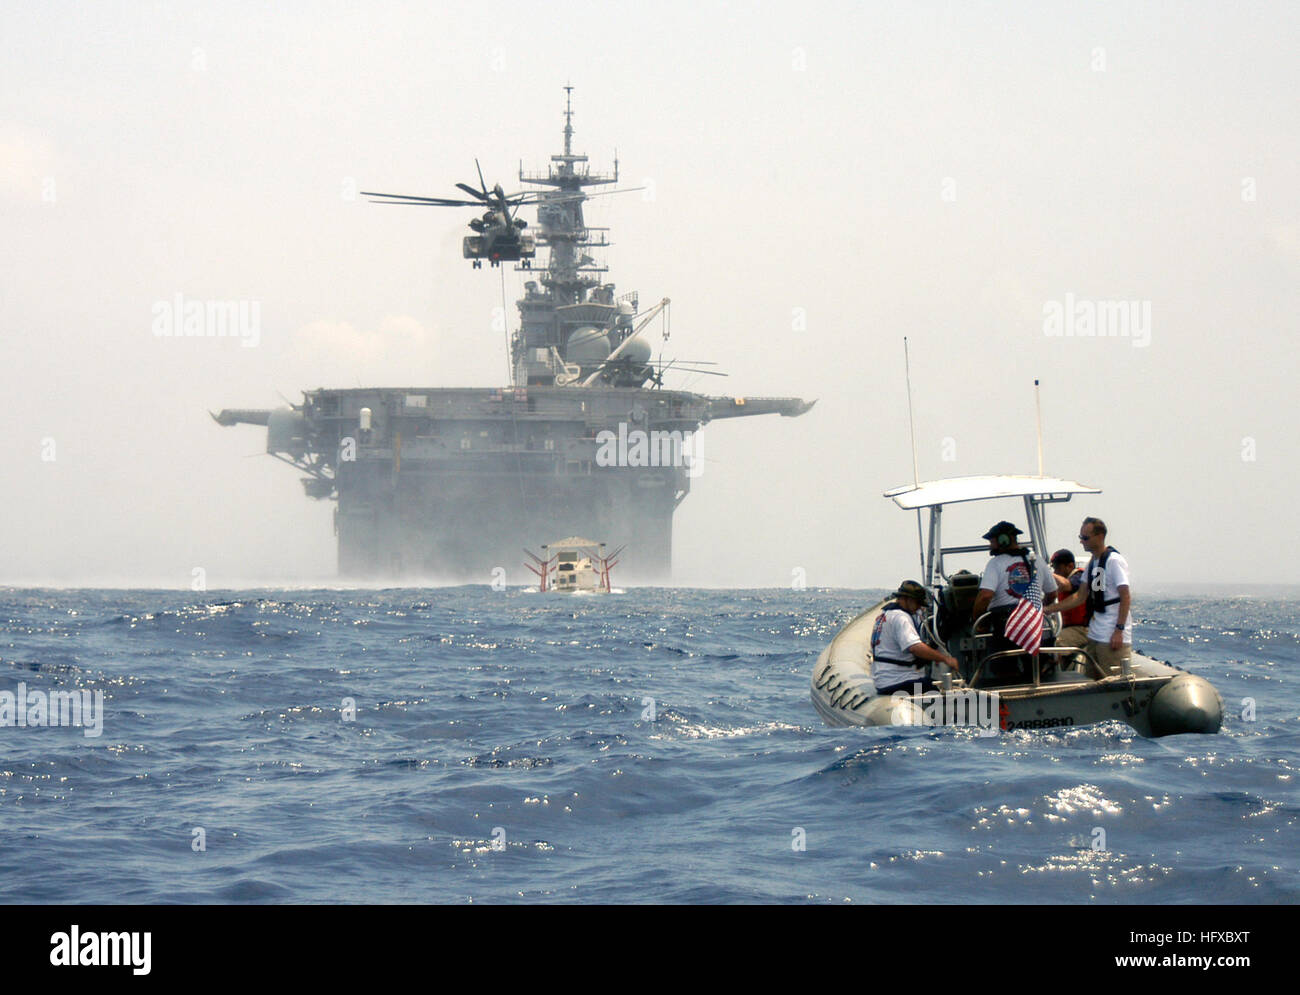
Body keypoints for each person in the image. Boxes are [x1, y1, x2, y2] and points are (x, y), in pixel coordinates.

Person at [1044, 517, 1131, 675]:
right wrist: (1050, 609)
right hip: (1095, 633)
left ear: (1099, 536)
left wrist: (1119, 630)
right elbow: (1080, 596)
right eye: (1080, 538)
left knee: (1112, 680)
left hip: (1111, 634)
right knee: (1092, 678)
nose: (1081, 542)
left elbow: (1125, 596)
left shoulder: (1114, 561)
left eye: (1085, 538)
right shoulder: (1093, 563)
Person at [970, 521, 1057, 653]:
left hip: (1005, 625)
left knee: (1002, 665)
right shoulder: (1038, 560)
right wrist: (1040, 609)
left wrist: (978, 622)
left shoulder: (995, 563)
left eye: (992, 541)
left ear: (1003, 540)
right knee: (1037, 666)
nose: (990, 546)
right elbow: (1052, 594)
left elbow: (985, 596)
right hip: (1034, 624)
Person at [871, 581, 959, 697]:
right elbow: (915, 648)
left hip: (883, 681)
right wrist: (945, 659)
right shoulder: (901, 618)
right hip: (898, 682)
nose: (919, 607)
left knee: (928, 682)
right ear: (908, 599)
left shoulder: (885, 614)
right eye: (918, 603)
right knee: (934, 690)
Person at [1051, 549, 1089, 650]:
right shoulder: (1062, 582)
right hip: (1065, 627)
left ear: (1070, 566)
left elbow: (1066, 585)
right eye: (1053, 568)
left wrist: (1044, 572)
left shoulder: (1079, 577)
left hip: (1081, 629)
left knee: (1056, 645)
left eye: (1057, 568)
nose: (1055, 572)